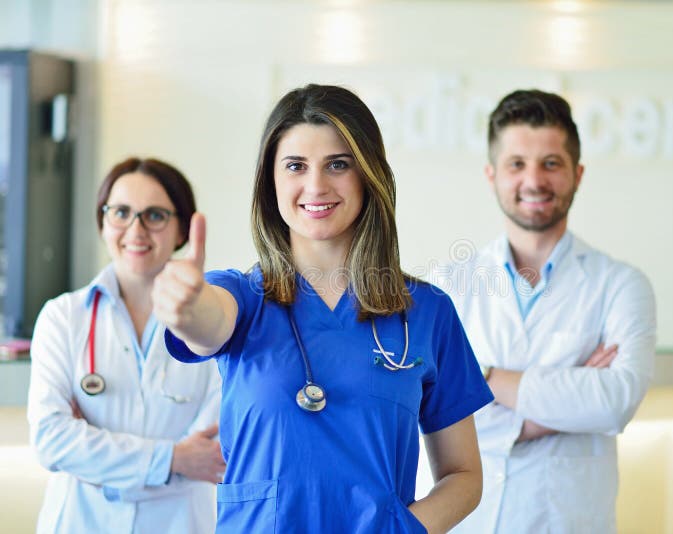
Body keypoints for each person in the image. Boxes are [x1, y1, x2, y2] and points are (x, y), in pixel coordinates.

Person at [153, 84, 494, 534]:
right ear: (271, 181)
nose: (316, 185)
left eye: (338, 164)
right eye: (295, 166)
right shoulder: (240, 297)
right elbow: (208, 322)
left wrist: (402, 529)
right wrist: (187, 308)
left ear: (368, 175)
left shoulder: (427, 312)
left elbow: (463, 475)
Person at [431, 89, 657, 533]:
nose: (533, 180)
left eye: (551, 163)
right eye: (517, 164)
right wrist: (571, 400)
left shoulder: (621, 285)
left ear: (578, 173)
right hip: (468, 521)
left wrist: (482, 378)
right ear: (492, 174)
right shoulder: (447, 286)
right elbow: (431, 416)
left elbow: (615, 402)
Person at [27, 157, 224, 534]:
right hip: (80, 522)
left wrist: (96, 461)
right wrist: (172, 459)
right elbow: (52, 441)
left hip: (178, 524)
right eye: (120, 213)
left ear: (181, 228)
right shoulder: (63, 317)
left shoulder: (211, 326)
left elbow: (209, 455)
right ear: (103, 222)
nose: (136, 229)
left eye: (154, 215)